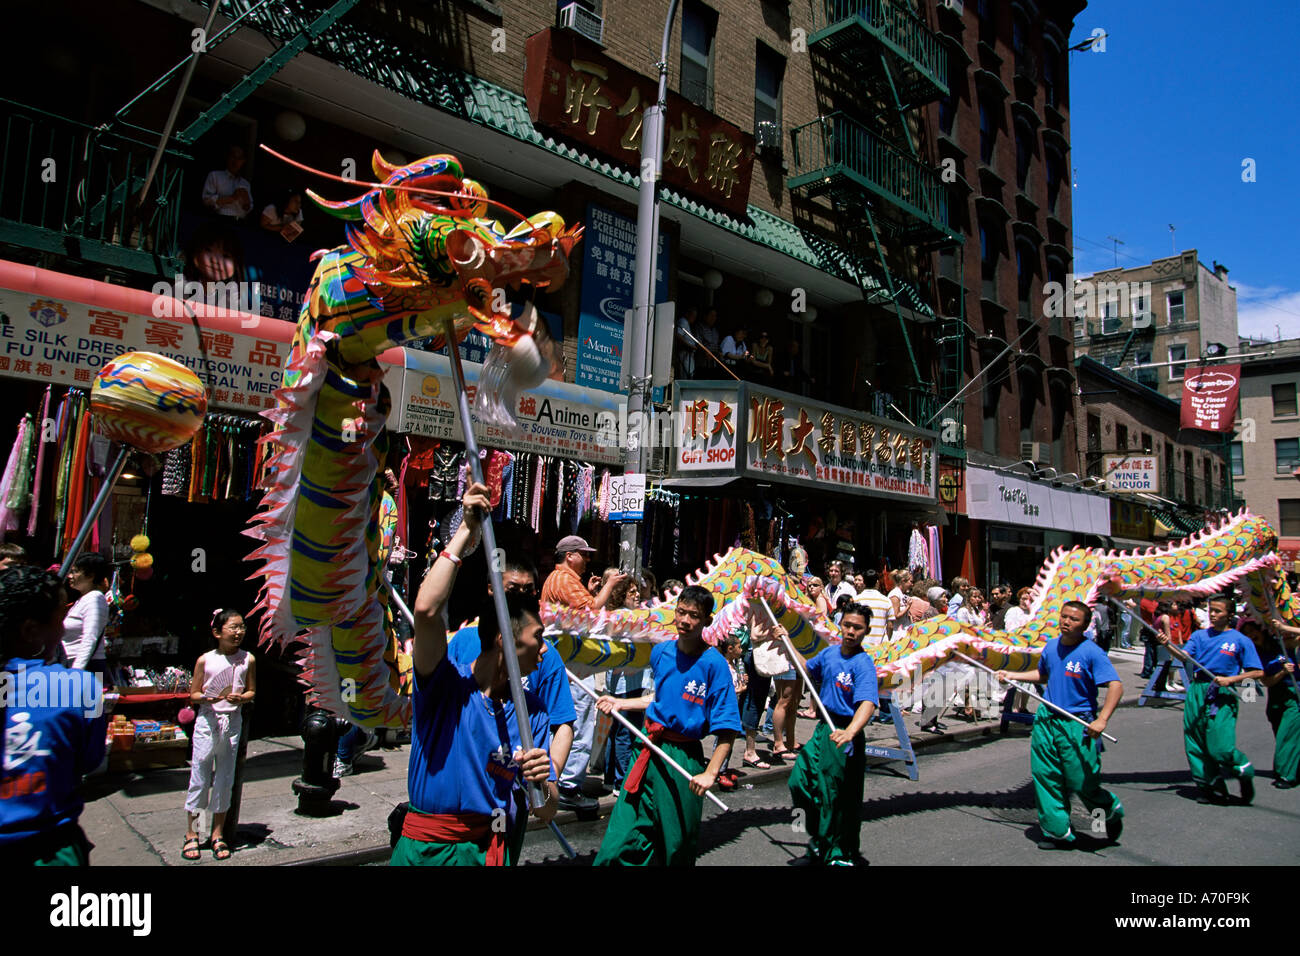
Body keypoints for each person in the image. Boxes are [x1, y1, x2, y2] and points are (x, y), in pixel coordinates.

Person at [393, 481, 557, 866]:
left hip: (488, 852)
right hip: (426, 852)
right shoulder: (445, 686)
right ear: (504, 640)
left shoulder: (532, 713)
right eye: (539, 638)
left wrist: (543, 783)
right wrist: (466, 530)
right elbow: (427, 612)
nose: (545, 650)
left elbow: (546, 810)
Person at [593, 585, 741, 866]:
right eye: (681, 612)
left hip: (682, 760)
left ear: (707, 620)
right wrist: (620, 703)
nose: (685, 620)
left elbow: (727, 728)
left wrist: (710, 773)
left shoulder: (714, 665)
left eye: (694, 615)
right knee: (621, 839)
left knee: (676, 844)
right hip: (646, 749)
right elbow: (660, 698)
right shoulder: (660, 652)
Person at [444, 555, 578, 797]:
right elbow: (426, 612)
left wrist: (547, 777)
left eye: (529, 591)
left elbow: (563, 721)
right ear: (491, 590)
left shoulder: (544, 660)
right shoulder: (462, 643)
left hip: (510, 797)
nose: (521, 598)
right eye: (512, 590)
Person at [1, 566, 108, 865]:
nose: (62, 631)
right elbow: (90, 760)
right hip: (50, 849)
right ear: (30, 631)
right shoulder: (83, 688)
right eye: (59, 620)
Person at [996, 601, 1124, 850]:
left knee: (1081, 781)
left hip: (1078, 723)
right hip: (1047, 718)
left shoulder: (1092, 652)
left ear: (1085, 625)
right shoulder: (1052, 646)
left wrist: (1102, 720)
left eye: (1073, 619)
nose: (1066, 622)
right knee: (1046, 775)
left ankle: (1107, 812)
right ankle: (1057, 831)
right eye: (1064, 617)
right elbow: (1044, 674)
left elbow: (1116, 686)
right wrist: (1012, 674)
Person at [788, 603, 878, 866]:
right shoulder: (829, 654)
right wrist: (786, 641)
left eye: (857, 628)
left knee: (837, 796)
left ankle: (838, 852)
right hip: (822, 730)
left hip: (845, 731)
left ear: (866, 631)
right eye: (847, 625)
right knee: (799, 781)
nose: (851, 631)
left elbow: (868, 703)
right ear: (840, 624)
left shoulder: (863, 663)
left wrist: (850, 732)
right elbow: (807, 668)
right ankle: (817, 837)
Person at [540, 535, 625, 812]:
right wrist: (610, 585)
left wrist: (590, 591)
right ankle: (567, 784)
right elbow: (590, 610)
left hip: (567, 659)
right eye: (584, 555)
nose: (588, 560)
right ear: (569, 556)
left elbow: (583, 607)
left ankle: (561, 779)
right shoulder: (563, 580)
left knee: (572, 719)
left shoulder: (563, 580)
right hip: (571, 662)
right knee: (578, 719)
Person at [1159, 594, 1264, 805]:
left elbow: (1257, 672)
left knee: (1220, 746)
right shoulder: (1199, 636)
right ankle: (1209, 786)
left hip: (1223, 693)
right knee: (1195, 740)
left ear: (1229, 614)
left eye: (1218, 611)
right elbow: (1184, 657)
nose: (1213, 615)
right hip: (1198, 688)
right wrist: (1167, 644)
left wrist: (1232, 679)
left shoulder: (1240, 640)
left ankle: (1243, 769)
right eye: (1211, 611)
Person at [183, 608, 256, 862]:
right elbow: (193, 694)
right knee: (200, 776)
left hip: (232, 722)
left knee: (225, 778)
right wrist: (206, 697)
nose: (238, 632)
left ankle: (216, 833)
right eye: (233, 627)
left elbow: (251, 691)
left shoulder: (248, 660)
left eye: (242, 627)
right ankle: (193, 833)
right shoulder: (206, 660)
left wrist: (241, 698)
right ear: (217, 632)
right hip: (208, 720)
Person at [604, 575, 651, 790]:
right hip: (624, 683)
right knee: (626, 732)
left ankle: (612, 777)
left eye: (637, 591)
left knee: (622, 730)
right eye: (632, 592)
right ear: (621, 595)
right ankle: (621, 780)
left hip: (634, 681)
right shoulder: (622, 617)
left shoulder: (632, 615)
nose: (637, 595)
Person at [1247, 615, 1298, 789]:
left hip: (1294, 693)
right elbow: (1266, 682)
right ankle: (1293, 767)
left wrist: (1285, 628)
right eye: (1247, 633)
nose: (1251, 635)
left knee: (1288, 734)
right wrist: (1282, 672)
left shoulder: (1282, 644)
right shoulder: (1256, 655)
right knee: (1281, 734)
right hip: (1275, 695)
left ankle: (1286, 775)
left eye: (1253, 631)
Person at [62, 553, 111, 673]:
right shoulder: (83, 600)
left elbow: (90, 637)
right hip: (75, 663)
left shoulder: (95, 598)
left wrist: (76, 671)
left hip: (87, 666)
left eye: (75, 572)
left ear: (90, 576)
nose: (70, 576)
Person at [202, 145, 253, 219]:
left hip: (240, 224)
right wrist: (232, 198)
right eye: (233, 157)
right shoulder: (215, 176)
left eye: (239, 158)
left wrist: (246, 200)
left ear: (243, 161)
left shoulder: (245, 183)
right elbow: (206, 201)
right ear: (228, 157)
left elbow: (248, 208)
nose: (235, 161)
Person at [854, 569, 893, 647]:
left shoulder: (856, 600)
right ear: (877, 583)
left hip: (860, 645)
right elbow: (890, 626)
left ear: (864, 583)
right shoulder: (886, 601)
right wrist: (887, 641)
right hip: (879, 647)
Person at [673, 306, 698, 380]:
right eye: (692, 316)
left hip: (689, 355)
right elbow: (678, 335)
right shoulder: (683, 321)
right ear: (687, 314)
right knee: (686, 375)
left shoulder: (687, 323)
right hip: (685, 353)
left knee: (690, 374)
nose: (694, 318)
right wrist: (690, 346)